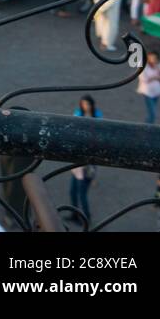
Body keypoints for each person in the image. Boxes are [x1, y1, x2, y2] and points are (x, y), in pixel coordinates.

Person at [68, 95, 101, 223]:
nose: (86, 106)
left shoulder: (97, 116)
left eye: (88, 104)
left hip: (87, 164)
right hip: (77, 163)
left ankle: (87, 218)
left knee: (82, 194)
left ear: (92, 105)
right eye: (83, 104)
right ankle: (74, 215)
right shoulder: (78, 114)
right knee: (72, 192)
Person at [138, 51, 160, 124]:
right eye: (152, 58)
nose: (154, 60)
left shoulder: (159, 66)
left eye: (155, 58)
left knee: (151, 112)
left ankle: (147, 125)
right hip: (147, 92)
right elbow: (144, 79)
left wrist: (158, 73)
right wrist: (157, 77)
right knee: (152, 113)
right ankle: (149, 126)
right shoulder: (143, 66)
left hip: (157, 92)